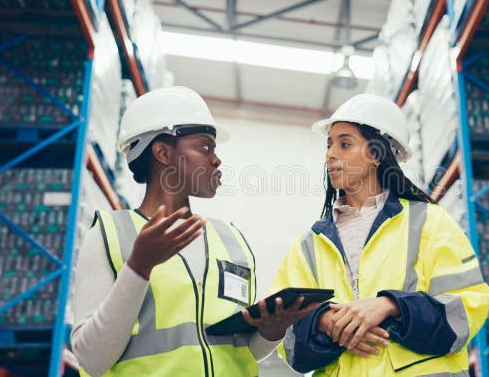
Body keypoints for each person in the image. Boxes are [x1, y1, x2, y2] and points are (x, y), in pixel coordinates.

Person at [71, 86, 316, 376]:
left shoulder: (231, 240)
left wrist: (271, 332)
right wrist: (139, 267)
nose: (216, 159)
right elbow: (92, 359)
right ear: (162, 152)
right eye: (205, 147)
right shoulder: (111, 235)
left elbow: (245, 350)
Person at [271, 93, 489, 375]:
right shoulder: (309, 245)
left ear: (375, 154)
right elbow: (286, 340)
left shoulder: (428, 222)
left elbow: (467, 309)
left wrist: (391, 306)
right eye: (329, 145)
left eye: (345, 143)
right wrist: (324, 321)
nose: (330, 154)